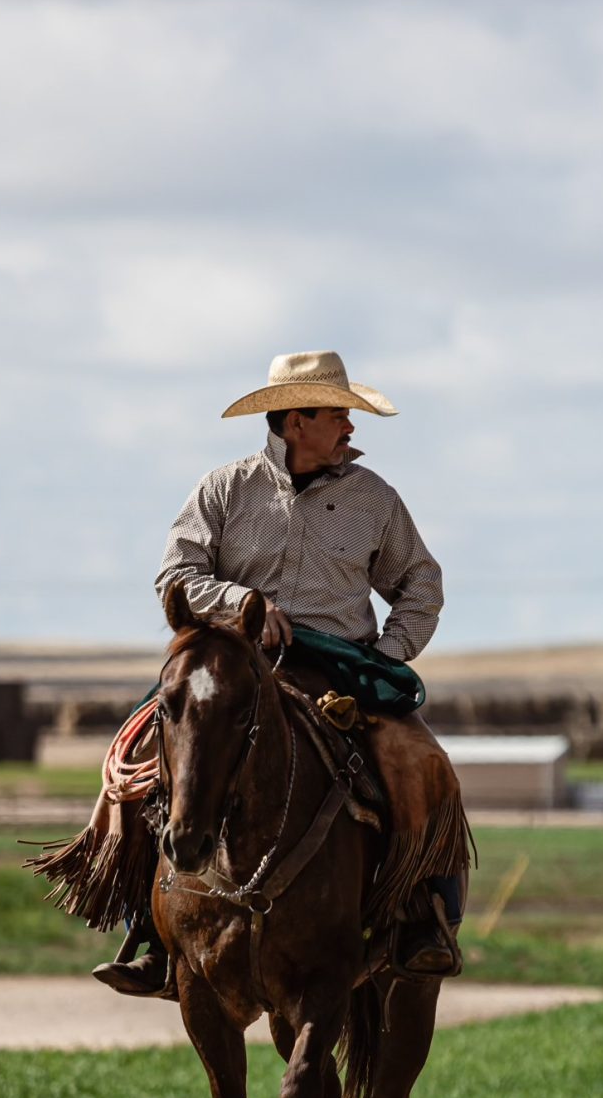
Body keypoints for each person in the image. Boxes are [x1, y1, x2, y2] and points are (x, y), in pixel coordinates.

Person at [94, 349, 467, 995]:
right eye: (339, 415)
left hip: (339, 665)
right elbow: (175, 576)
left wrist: (386, 654)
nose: (351, 428)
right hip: (231, 662)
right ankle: (149, 932)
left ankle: (424, 921)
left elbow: (419, 582)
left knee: (423, 765)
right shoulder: (223, 489)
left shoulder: (373, 499)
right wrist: (241, 603)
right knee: (131, 760)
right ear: (296, 420)